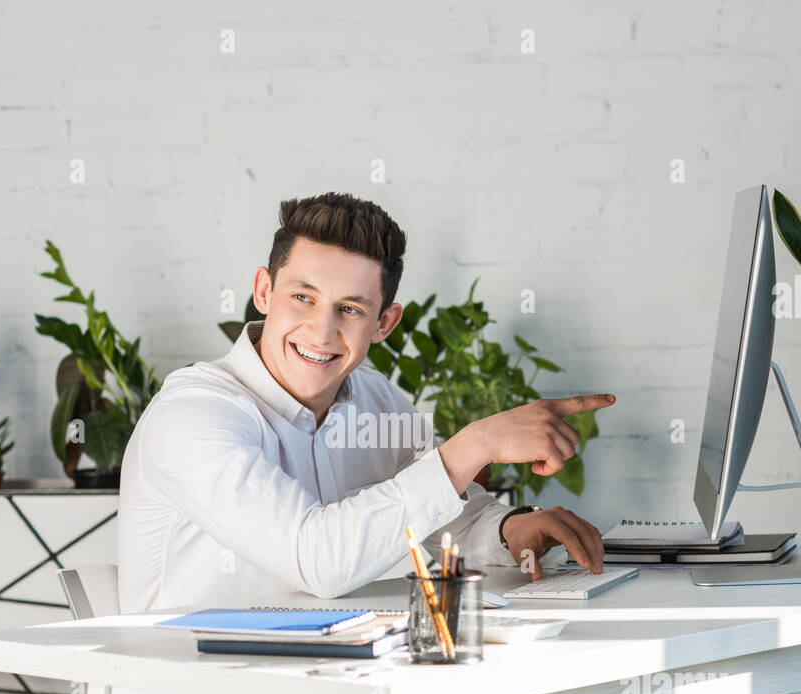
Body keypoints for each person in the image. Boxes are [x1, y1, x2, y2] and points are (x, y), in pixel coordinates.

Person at [117, 191, 614, 612]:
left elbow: (439, 515)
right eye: (303, 297)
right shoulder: (193, 418)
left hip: (325, 677)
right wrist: (477, 443)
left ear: (384, 323)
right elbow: (316, 559)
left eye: (350, 308)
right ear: (264, 291)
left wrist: (511, 529)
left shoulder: (374, 398)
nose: (321, 330)